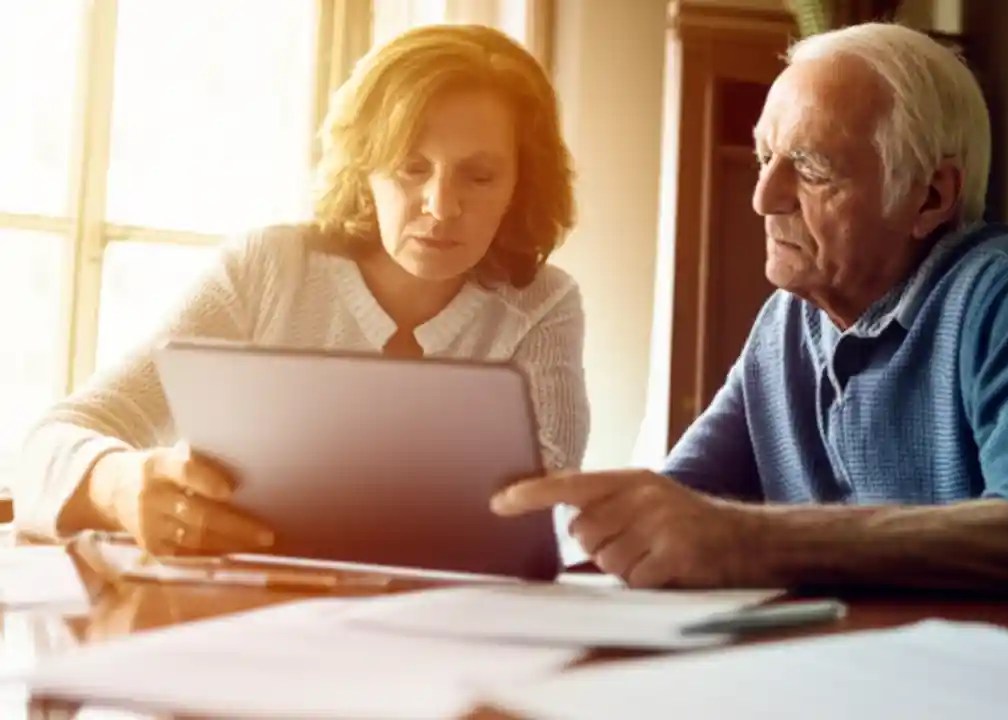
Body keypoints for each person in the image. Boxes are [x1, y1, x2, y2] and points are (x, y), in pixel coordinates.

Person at [492, 22, 1008, 609]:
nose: (763, 197)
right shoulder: (785, 323)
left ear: (929, 197)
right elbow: (682, 506)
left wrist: (751, 541)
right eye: (766, 156)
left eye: (811, 166)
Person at [15, 25, 589, 556]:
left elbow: (542, 509)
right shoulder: (268, 268)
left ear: (520, 184)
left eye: (479, 175)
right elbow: (47, 443)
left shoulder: (542, 306)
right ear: (365, 167)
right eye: (411, 167)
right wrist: (118, 489)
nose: (441, 207)